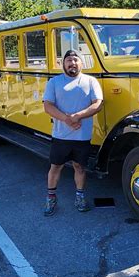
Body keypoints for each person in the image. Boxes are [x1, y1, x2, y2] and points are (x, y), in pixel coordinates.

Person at [43, 49, 103, 215]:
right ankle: (51, 198)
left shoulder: (91, 81)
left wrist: (77, 116)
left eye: (76, 60)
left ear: (81, 63)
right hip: (60, 136)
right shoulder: (54, 82)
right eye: (68, 60)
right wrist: (67, 119)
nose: (72, 63)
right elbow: (47, 105)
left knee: (80, 167)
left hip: (82, 137)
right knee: (55, 167)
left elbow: (98, 104)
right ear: (63, 64)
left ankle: (80, 197)